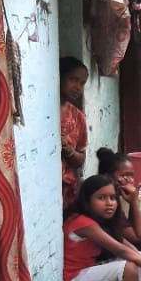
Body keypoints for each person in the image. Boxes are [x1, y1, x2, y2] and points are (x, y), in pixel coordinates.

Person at [96, 147, 141, 265]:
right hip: (97, 252)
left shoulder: (112, 198)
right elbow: (137, 236)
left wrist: (131, 202)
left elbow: (130, 231)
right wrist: (134, 201)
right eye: (125, 175)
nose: (130, 181)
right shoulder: (103, 199)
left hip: (109, 244)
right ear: (108, 176)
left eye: (132, 176)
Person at [60, 57, 90, 216]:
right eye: (73, 79)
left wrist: (69, 151)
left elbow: (81, 159)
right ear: (59, 75)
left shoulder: (78, 117)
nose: (78, 87)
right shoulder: (42, 108)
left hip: (66, 191)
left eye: (82, 83)